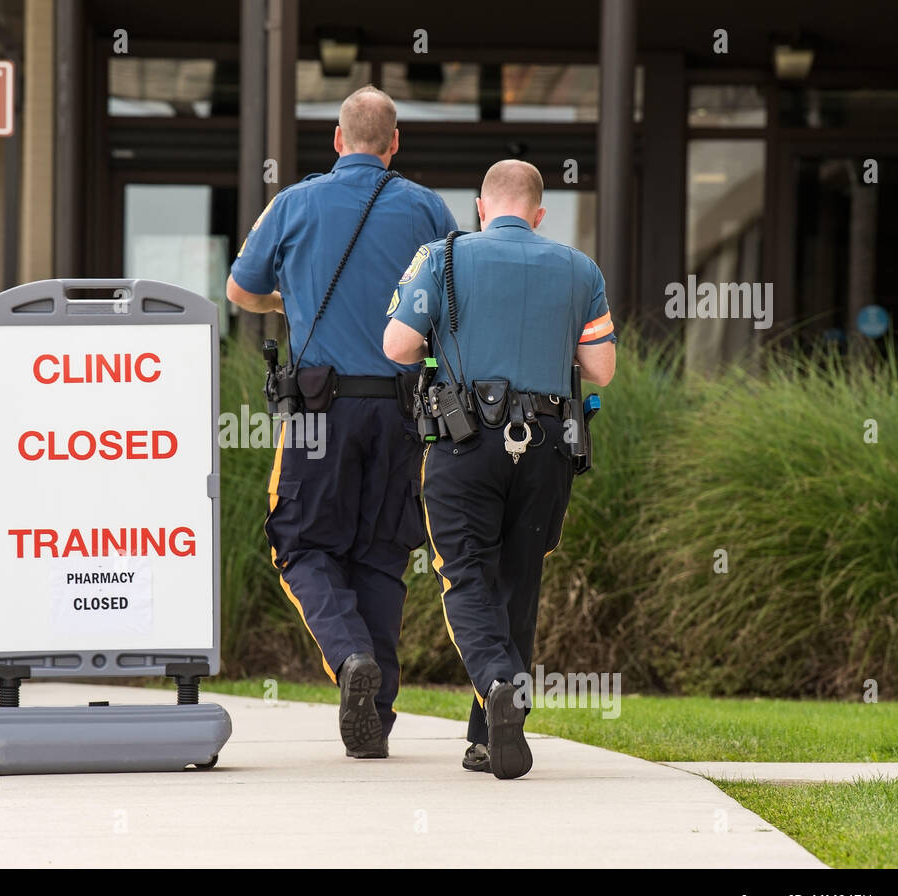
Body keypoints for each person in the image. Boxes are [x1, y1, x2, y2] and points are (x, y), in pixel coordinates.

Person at [226, 86, 457, 759]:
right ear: (393, 144)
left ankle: (350, 657)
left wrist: (290, 302)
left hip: (316, 411)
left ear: (337, 140)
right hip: (402, 409)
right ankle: (375, 719)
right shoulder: (425, 208)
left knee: (301, 544)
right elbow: (450, 300)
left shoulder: (293, 203)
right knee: (382, 553)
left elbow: (241, 289)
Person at [383, 159, 616, 779]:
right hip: (547, 448)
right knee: (517, 580)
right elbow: (602, 369)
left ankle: (501, 683)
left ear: (481, 208)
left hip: (465, 443)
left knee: (465, 575)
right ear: (540, 215)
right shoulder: (579, 268)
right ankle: (489, 735)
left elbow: (398, 347)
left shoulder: (442, 257)